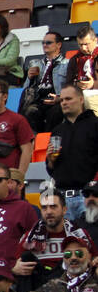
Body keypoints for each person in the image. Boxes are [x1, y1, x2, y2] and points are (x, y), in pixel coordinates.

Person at [47, 83, 98, 222]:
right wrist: (50, 160)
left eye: (68, 99)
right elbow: (51, 169)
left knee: (91, 241)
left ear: (81, 99)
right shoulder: (58, 130)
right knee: (66, 242)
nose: (64, 103)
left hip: (89, 196)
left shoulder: (95, 125)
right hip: (62, 199)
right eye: (62, 100)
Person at [23, 31, 69, 133]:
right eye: (43, 42)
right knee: (29, 111)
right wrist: (29, 77)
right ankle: (36, 141)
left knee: (55, 112)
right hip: (39, 99)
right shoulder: (36, 64)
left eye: (48, 42)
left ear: (59, 45)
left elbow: (71, 86)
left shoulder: (67, 64)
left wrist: (60, 98)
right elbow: (25, 89)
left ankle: (47, 141)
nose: (44, 45)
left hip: (57, 99)